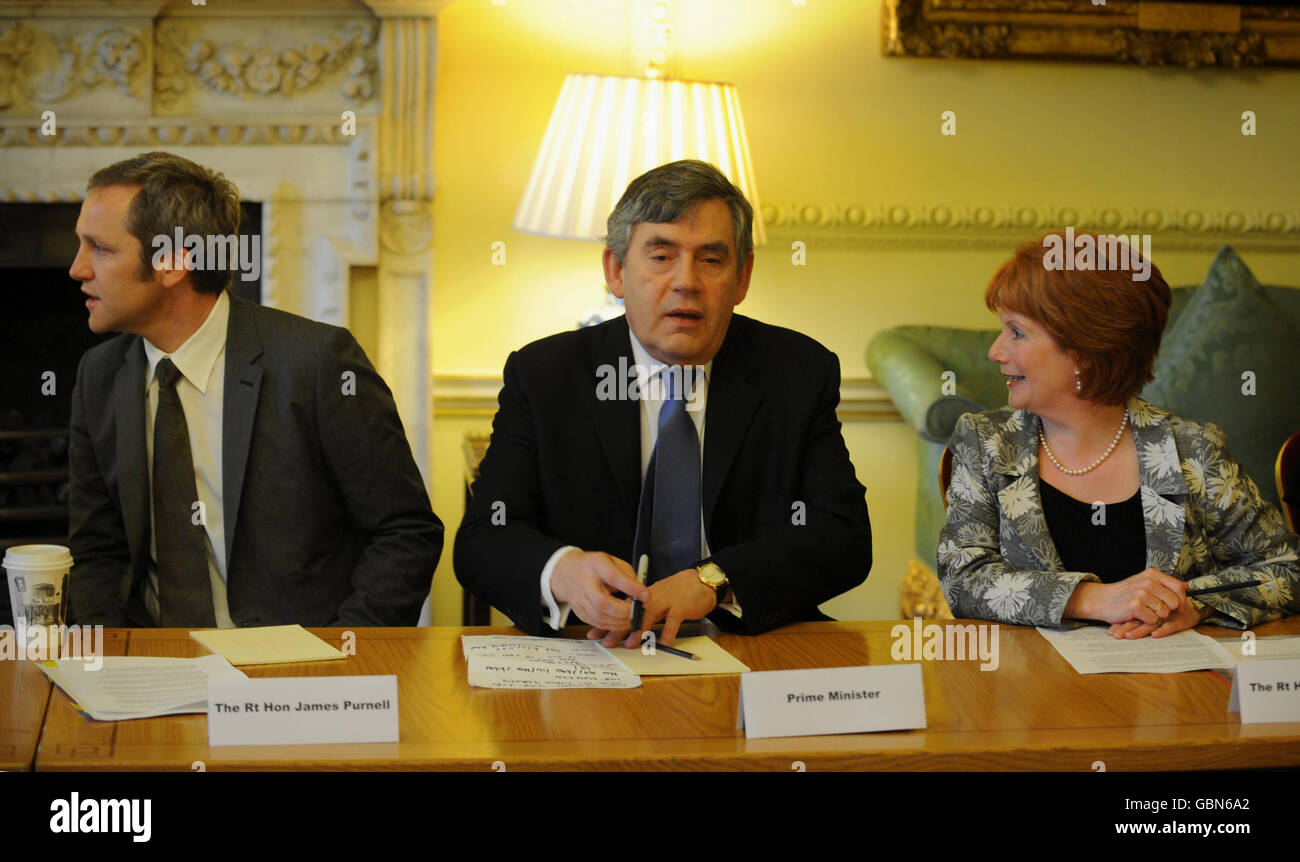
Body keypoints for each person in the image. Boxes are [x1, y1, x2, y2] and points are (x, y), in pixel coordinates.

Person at [454, 159, 872, 645]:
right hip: (589, 648)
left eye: (711, 260)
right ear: (615, 270)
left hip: (746, 641)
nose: (686, 282)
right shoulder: (546, 376)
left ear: (742, 277)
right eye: (660, 256)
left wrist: (713, 581)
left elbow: (843, 538)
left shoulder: (796, 372)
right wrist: (563, 571)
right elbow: (484, 538)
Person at [67, 152, 443, 627]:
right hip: (150, 669)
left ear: (172, 263)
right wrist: (113, 664)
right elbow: (97, 552)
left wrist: (345, 659)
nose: (77, 268)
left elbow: (405, 533)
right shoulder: (98, 376)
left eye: (99, 248)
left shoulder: (316, 362)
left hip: (299, 673)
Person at [938, 232, 1300, 637]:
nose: (995, 351)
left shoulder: (1192, 449)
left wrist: (1195, 603)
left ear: (1086, 351)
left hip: (1170, 693)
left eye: (1016, 332)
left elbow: (1285, 567)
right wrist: (1093, 597)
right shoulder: (985, 441)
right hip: (1032, 691)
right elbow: (961, 577)